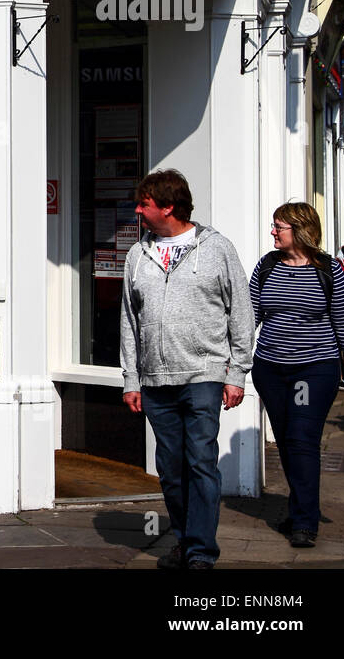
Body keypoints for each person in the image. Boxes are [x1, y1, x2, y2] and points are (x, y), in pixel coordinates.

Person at [120, 169, 254, 570]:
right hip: (156, 381)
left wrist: (236, 373)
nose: (139, 210)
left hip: (203, 375)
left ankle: (200, 551)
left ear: (168, 207)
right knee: (171, 470)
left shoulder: (216, 248)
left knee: (199, 462)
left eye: (144, 203)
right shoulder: (137, 254)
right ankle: (184, 539)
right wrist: (131, 377)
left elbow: (241, 313)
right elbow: (129, 320)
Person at [250, 202, 344, 549]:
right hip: (270, 370)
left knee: (302, 439)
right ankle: (298, 511)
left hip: (313, 370)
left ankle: (306, 522)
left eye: (278, 226)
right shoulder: (266, 266)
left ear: (299, 229)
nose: (272, 232)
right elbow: (248, 316)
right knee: (286, 439)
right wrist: (233, 364)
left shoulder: (329, 270)